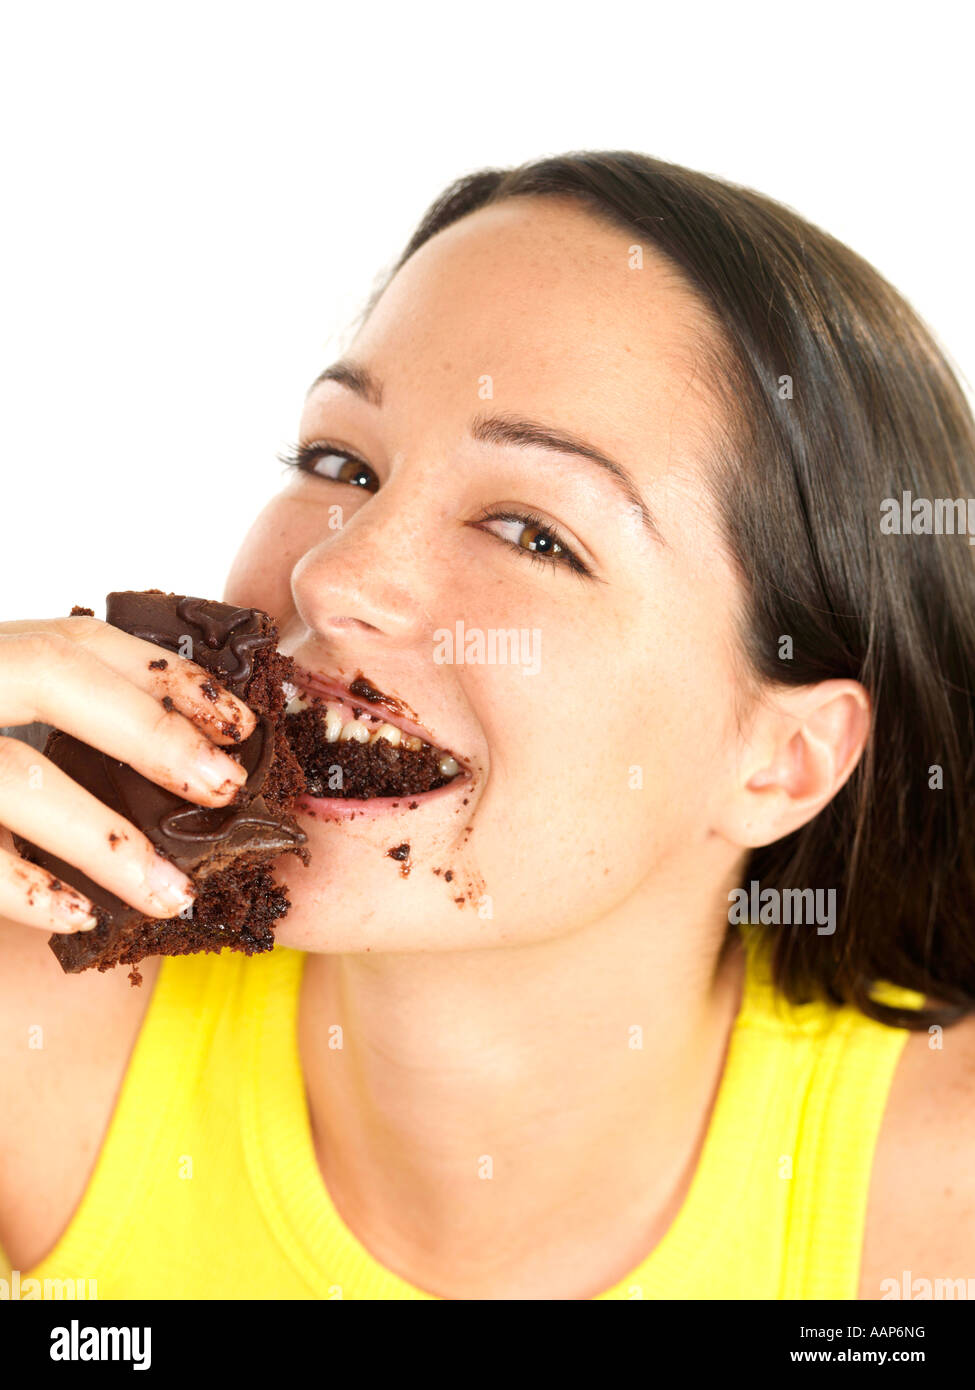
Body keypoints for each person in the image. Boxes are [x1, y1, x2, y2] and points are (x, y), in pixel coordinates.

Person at [0, 151, 973, 1300]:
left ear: (784, 760)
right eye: (340, 461)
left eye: (533, 533)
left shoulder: (933, 1219)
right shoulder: (38, 1027)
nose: (336, 574)